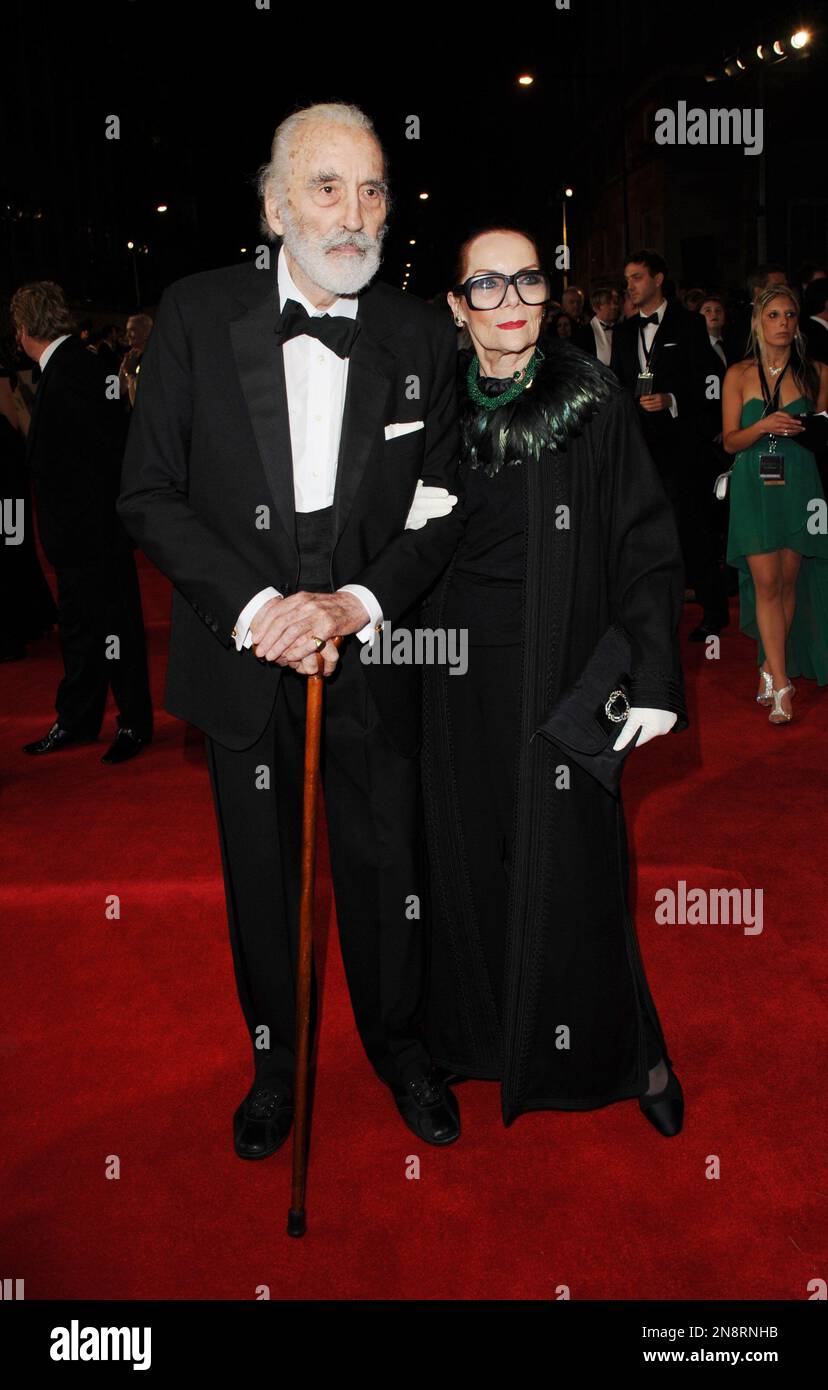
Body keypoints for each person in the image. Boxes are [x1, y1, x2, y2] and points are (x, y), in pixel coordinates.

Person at [117, 102, 465, 1160]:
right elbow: (150, 493)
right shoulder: (192, 312)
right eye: (327, 187)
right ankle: (276, 1068)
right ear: (274, 207)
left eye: (372, 191)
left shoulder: (417, 330)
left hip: (373, 644)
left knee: (385, 861)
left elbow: (440, 502)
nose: (354, 214)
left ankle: (401, 1046)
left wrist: (354, 605)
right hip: (245, 645)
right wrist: (266, 612)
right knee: (262, 878)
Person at [419, 226, 688, 1136]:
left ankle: (629, 1055)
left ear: (547, 291)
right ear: (458, 306)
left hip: (563, 670)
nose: (510, 301)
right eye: (485, 286)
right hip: (450, 681)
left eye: (525, 279)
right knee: (467, 855)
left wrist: (651, 677)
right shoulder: (428, 409)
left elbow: (645, 543)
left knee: (581, 866)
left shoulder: (592, 399)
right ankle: (479, 1040)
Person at [11, 281, 153, 762]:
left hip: (94, 538)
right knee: (82, 634)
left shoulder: (76, 369)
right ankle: (78, 718)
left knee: (116, 633)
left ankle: (133, 724)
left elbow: (110, 453)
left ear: (25, 329)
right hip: (82, 539)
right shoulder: (74, 366)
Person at [722, 285, 828, 723]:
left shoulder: (816, 372)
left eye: (789, 315)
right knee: (766, 584)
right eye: (774, 315)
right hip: (754, 486)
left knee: (787, 583)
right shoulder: (738, 375)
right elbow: (730, 441)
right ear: (758, 323)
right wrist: (765, 424)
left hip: (801, 485)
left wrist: (804, 428)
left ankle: (770, 666)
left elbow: (824, 435)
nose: (783, 323)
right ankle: (782, 686)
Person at [611, 249, 728, 641]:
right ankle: (656, 614)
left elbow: (706, 385)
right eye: (627, 279)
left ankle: (714, 610)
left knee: (690, 529)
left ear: (658, 279)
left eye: (638, 277)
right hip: (640, 449)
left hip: (681, 449)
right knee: (646, 533)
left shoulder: (690, 324)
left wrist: (671, 399)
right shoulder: (625, 331)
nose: (630, 286)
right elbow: (617, 384)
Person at [575, 285, 619, 364]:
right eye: (608, 303)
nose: (614, 306)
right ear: (596, 308)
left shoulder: (620, 329)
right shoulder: (584, 334)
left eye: (615, 302)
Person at [118, 313, 153, 409]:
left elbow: (142, 404)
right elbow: (120, 389)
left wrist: (130, 373)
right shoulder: (132, 355)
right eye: (127, 331)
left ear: (146, 332)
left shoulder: (155, 358)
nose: (127, 335)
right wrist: (124, 368)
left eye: (132, 330)